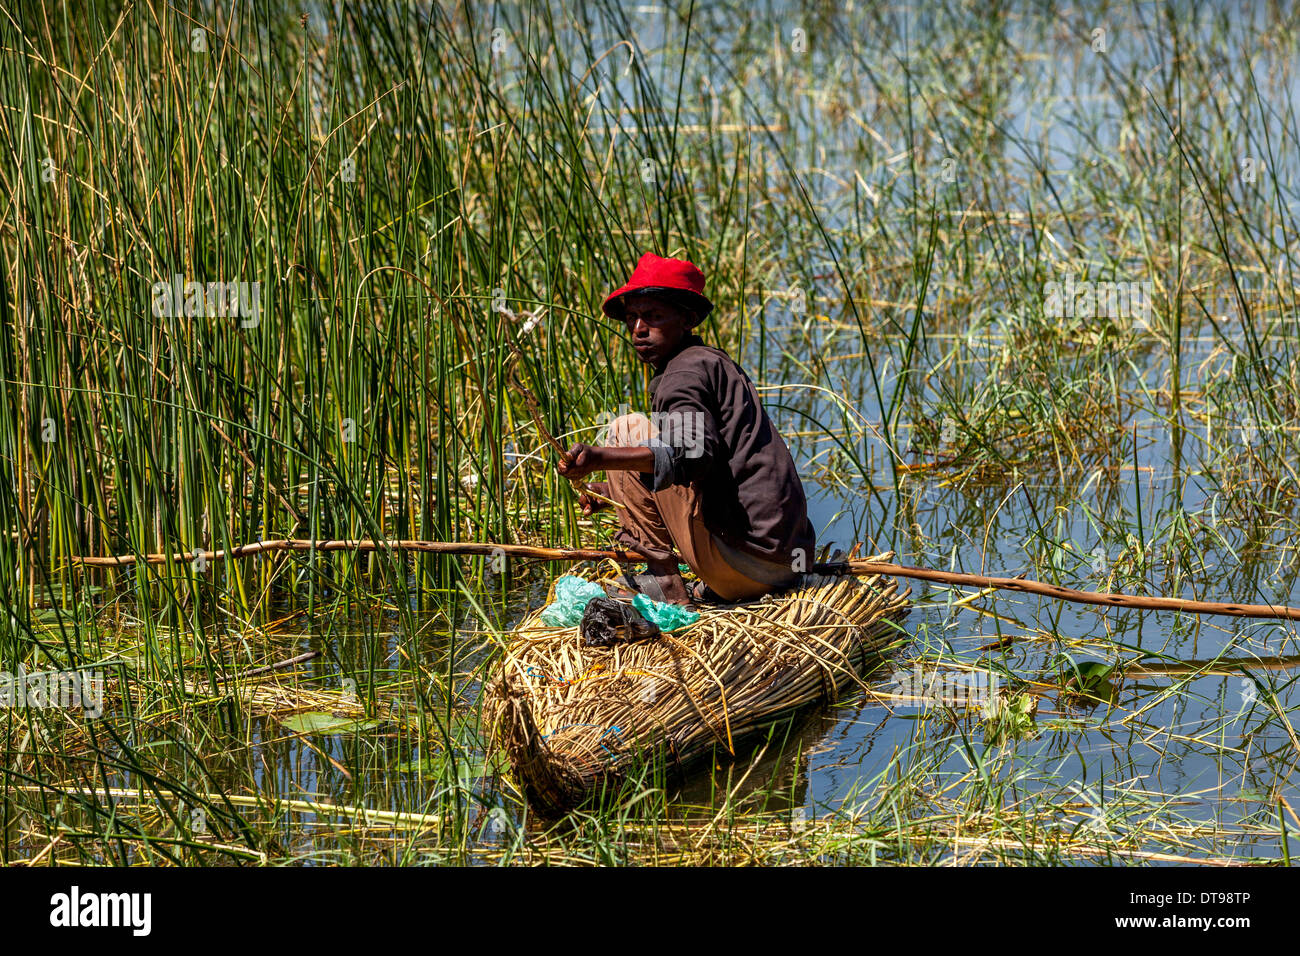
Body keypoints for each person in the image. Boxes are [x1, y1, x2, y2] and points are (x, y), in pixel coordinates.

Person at [557, 252, 816, 605]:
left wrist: (601, 456)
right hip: (786, 563)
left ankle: (666, 584)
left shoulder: (684, 373)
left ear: (688, 318)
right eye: (631, 318)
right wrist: (612, 489)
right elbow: (706, 459)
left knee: (627, 427)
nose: (638, 329)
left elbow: (691, 455)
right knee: (644, 442)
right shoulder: (710, 362)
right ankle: (699, 579)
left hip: (745, 567)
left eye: (653, 316)